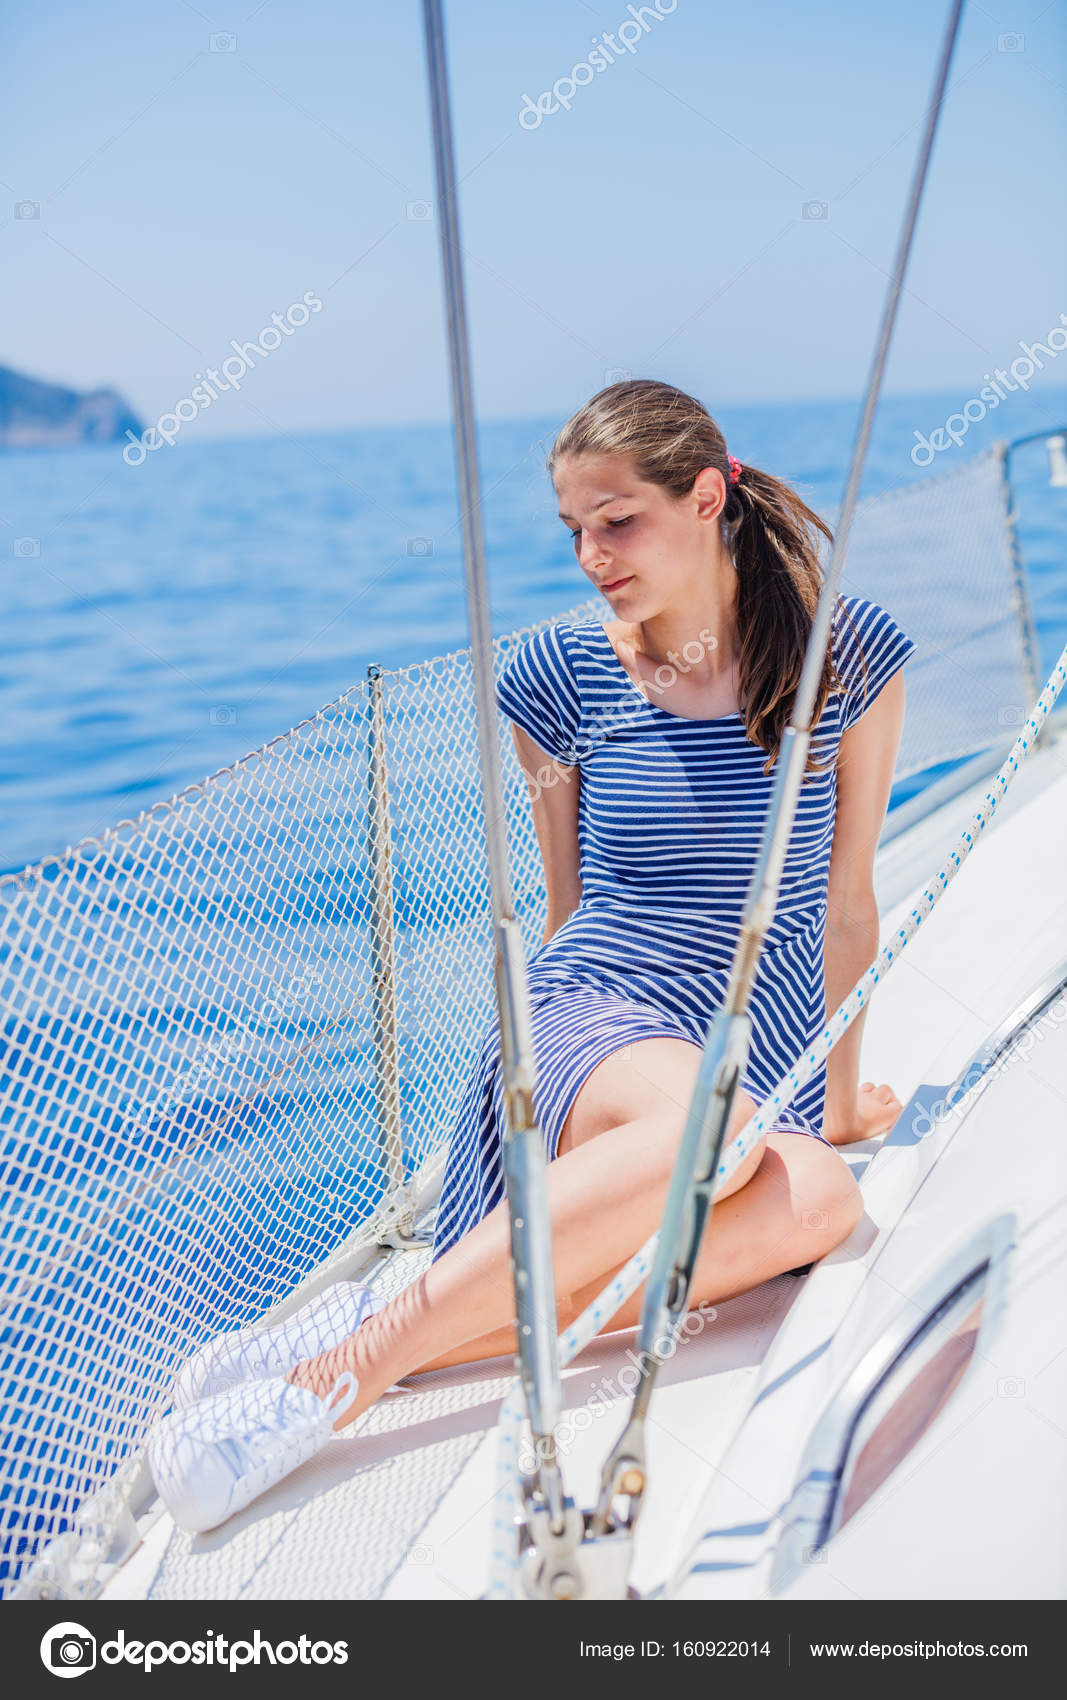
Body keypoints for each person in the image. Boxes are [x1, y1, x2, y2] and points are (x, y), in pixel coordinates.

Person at [149, 380, 915, 1534]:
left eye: (617, 521)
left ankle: (389, 1322)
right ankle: (331, 1381)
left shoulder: (844, 655)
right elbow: (565, 911)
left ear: (705, 498)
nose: (589, 556)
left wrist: (839, 1098)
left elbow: (845, 903)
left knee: (816, 1199)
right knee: (722, 1129)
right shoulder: (558, 675)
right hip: (599, 1013)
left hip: (752, 1051)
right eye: (572, 529)